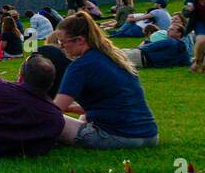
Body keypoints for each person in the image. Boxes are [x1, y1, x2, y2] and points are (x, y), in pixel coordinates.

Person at [53, 12, 159, 150]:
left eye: (62, 42)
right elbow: (114, 103)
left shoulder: (81, 66)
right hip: (150, 136)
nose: (61, 46)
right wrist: (74, 108)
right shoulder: (116, 58)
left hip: (118, 137)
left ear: (80, 40)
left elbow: (54, 111)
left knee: (52, 119)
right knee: (84, 117)